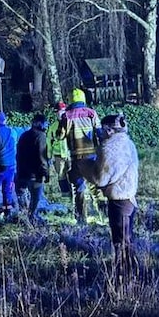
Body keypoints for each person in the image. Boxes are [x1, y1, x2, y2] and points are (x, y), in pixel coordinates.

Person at [92, 113, 140, 261]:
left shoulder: (111, 148)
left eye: (102, 129)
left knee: (122, 242)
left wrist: (85, 168)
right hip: (127, 199)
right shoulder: (128, 143)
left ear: (109, 130)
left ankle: (127, 276)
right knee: (124, 239)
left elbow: (101, 179)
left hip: (120, 200)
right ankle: (128, 273)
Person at [57, 88, 101, 223]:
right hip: (92, 156)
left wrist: (61, 121)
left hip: (76, 158)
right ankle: (104, 215)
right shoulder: (91, 113)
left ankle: (81, 219)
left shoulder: (67, 116)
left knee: (79, 188)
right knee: (97, 186)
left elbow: (60, 135)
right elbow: (99, 133)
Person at [15, 113, 51, 223]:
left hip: (22, 172)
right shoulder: (41, 136)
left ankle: (23, 215)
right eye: (44, 123)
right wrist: (46, 172)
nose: (45, 125)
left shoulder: (24, 135)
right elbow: (42, 156)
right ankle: (32, 217)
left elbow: (18, 154)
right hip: (35, 174)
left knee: (22, 194)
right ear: (38, 123)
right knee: (35, 198)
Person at [46, 102, 72, 195]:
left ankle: (74, 195)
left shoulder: (70, 123)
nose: (59, 114)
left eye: (61, 111)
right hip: (58, 155)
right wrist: (49, 155)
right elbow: (49, 141)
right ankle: (65, 195)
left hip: (70, 154)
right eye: (58, 112)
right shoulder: (53, 126)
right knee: (61, 175)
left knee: (72, 174)